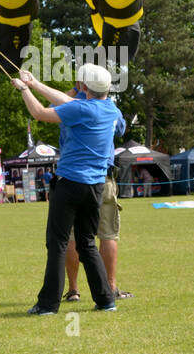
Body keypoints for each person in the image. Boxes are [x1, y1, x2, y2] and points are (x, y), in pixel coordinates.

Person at [13, 64, 122, 315]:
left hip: (70, 184)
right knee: (87, 244)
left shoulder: (81, 108)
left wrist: (23, 90)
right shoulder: (110, 109)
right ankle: (106, 300)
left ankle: (48, 304)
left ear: (83, 87)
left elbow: (40, 112)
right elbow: (65, 100)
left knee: (58, 243)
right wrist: (35, 83)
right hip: (94, 187)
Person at [62, 78, 129, 303]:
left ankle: (73, 290)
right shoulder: (108, 107)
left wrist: (73, 91)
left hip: (72, 178)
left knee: (72, 236)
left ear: (80, 84)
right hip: (103, 178)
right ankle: (110, 287)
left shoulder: (70, 104)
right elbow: (121, 128)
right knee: (107, 234)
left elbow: (50, 109)